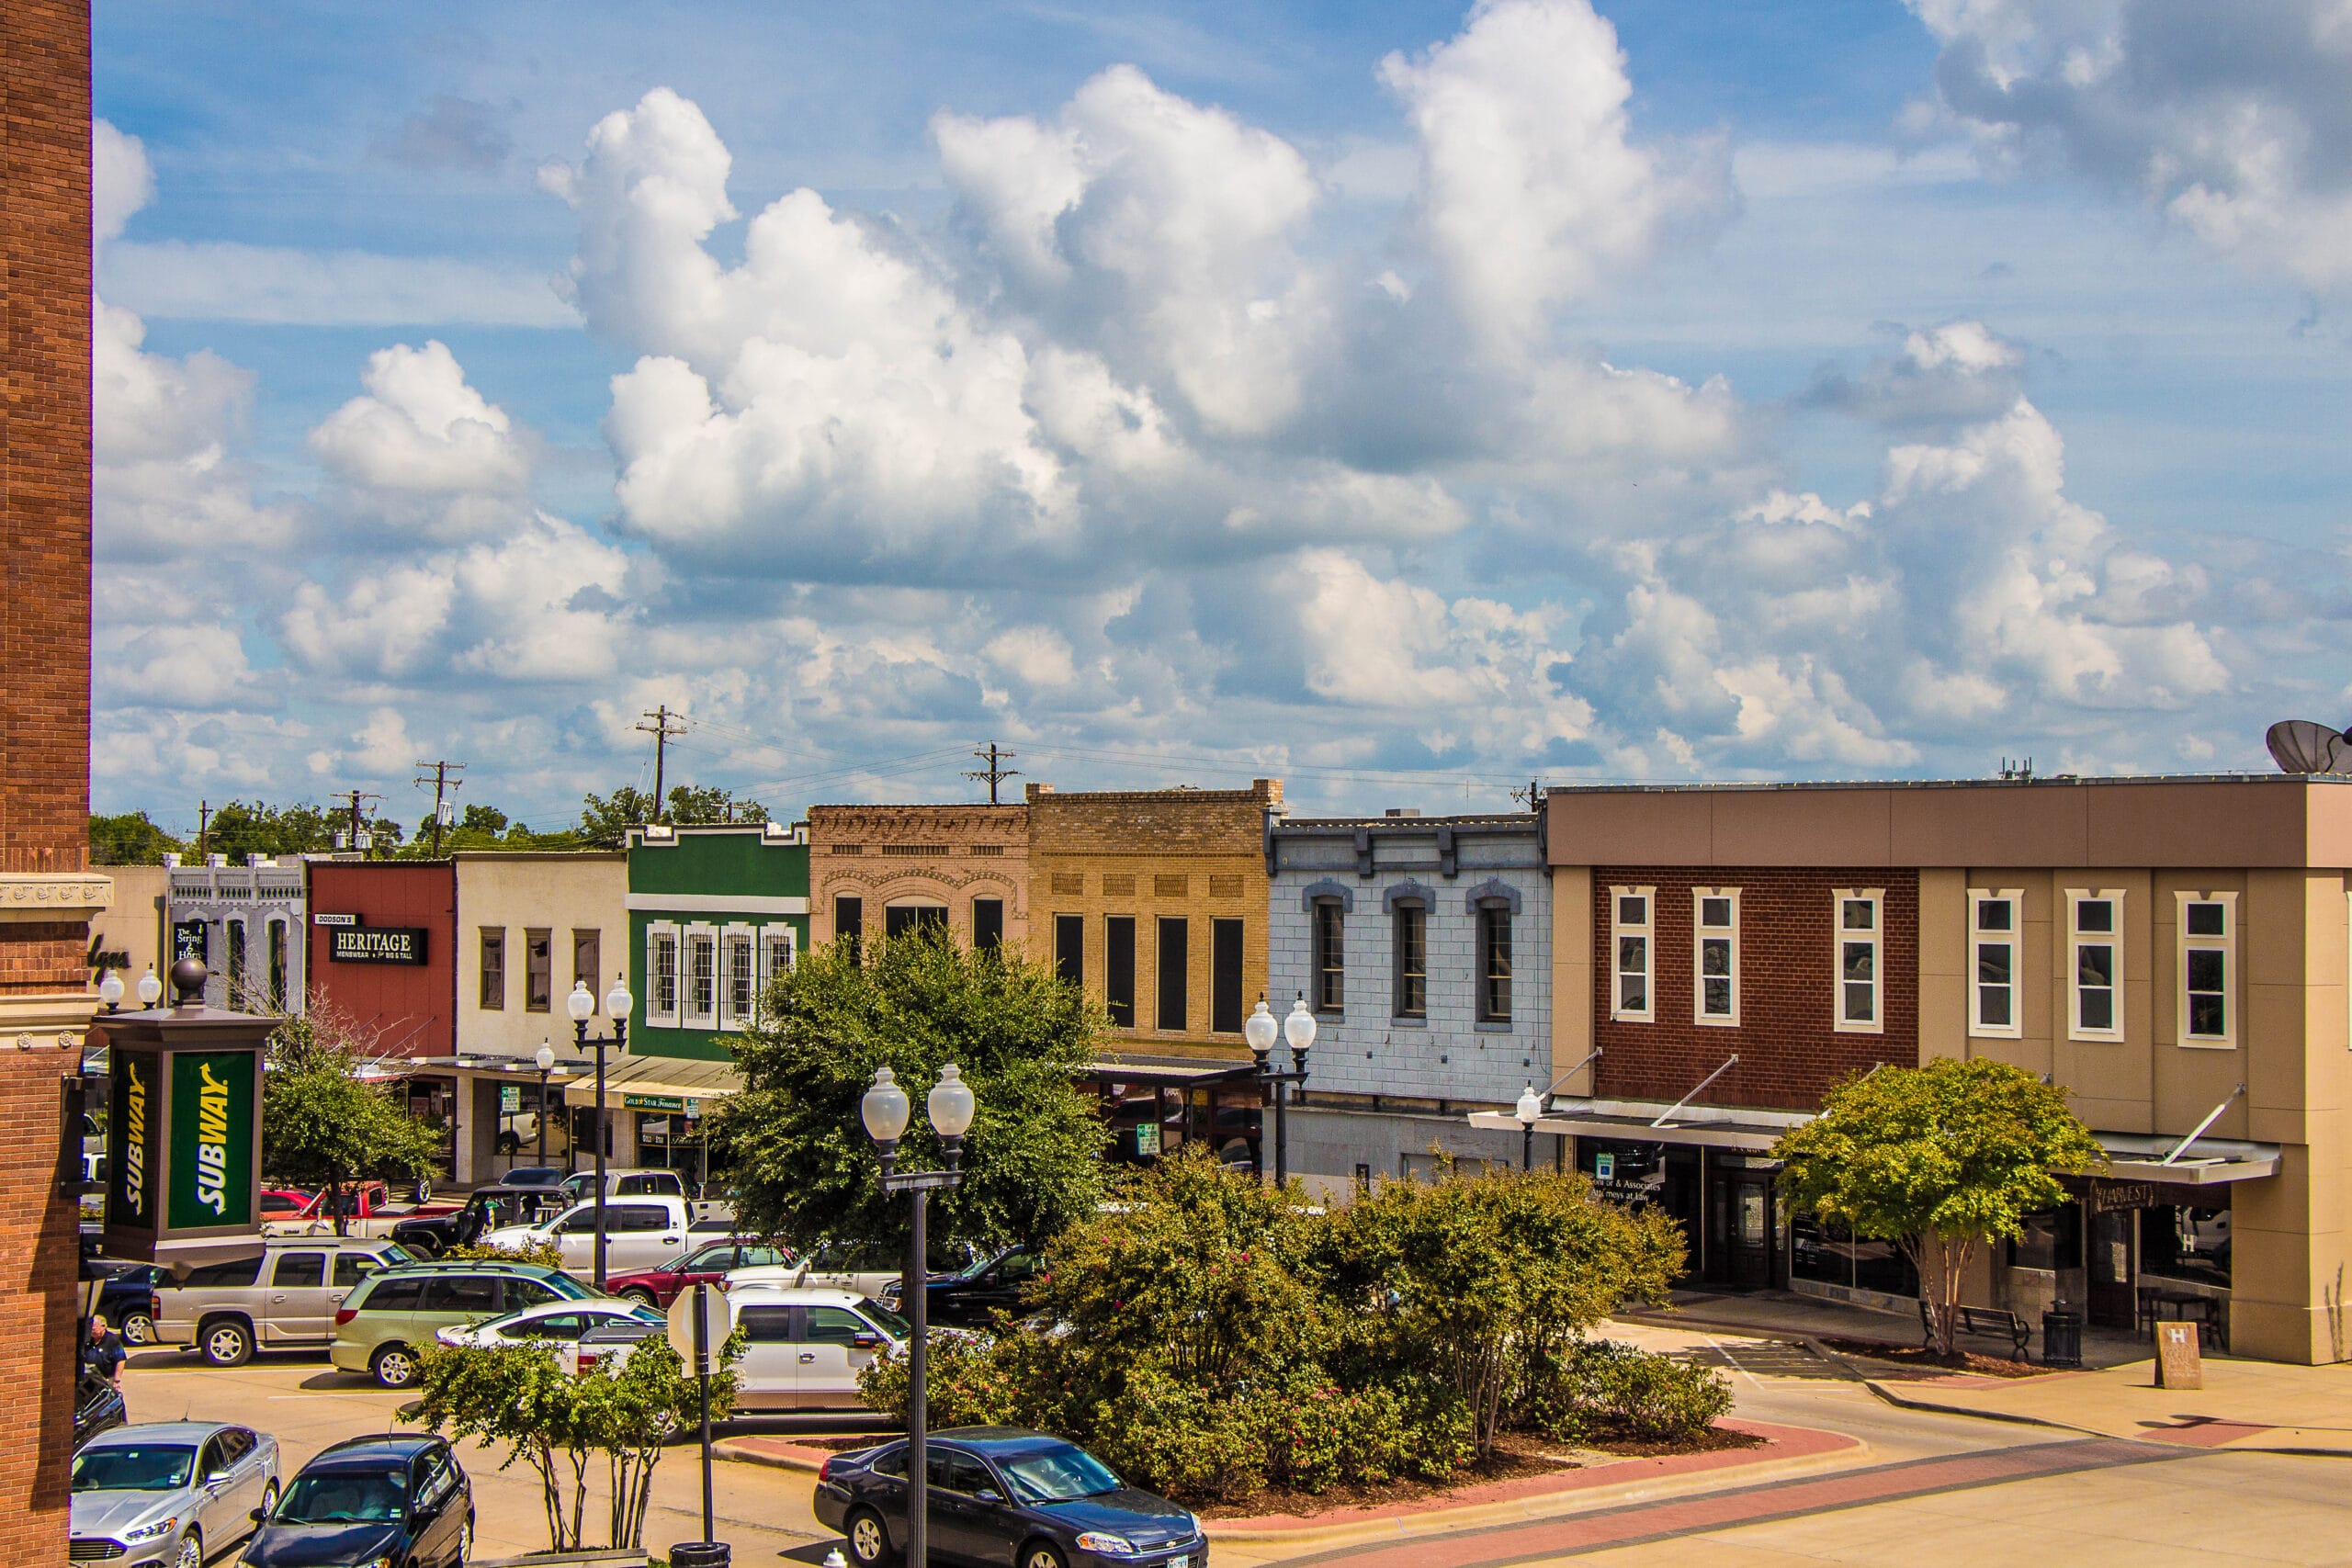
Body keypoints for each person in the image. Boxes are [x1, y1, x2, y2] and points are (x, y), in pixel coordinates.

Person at [84, 1314, 128, 1408]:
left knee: (105, 1403)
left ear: (103, 1326)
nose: (91, 1331)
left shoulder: (112, 1340)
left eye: (94, 1329)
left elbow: (120, 1360)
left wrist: (116, 1380)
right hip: (90, 1379)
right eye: (90, 1329)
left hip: (106, 1379)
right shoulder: (88, 1340)